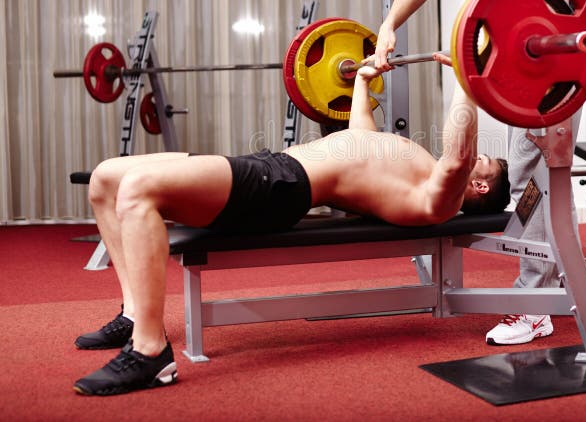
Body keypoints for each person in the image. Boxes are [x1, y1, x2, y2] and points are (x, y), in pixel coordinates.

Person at [72, 62, 509, 396]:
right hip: (273, 168)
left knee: (138, 190)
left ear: (480, 185)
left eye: (484, 161)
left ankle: (150, 350)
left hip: (281, 188)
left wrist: (465, 78)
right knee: (105, 179)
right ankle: (135, 315)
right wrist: (361, 83)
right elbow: (361, 138)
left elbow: (457, 154)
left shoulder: (439, 198)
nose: (477, 156)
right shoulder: (418, 169)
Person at [373, 0, 580, 346]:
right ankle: (566, 282)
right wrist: (388, 26)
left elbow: (542, 5)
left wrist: (480, 54)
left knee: (531, 181)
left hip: (556, 69)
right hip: (525, 70)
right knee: (550, 181)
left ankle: (534, 305)